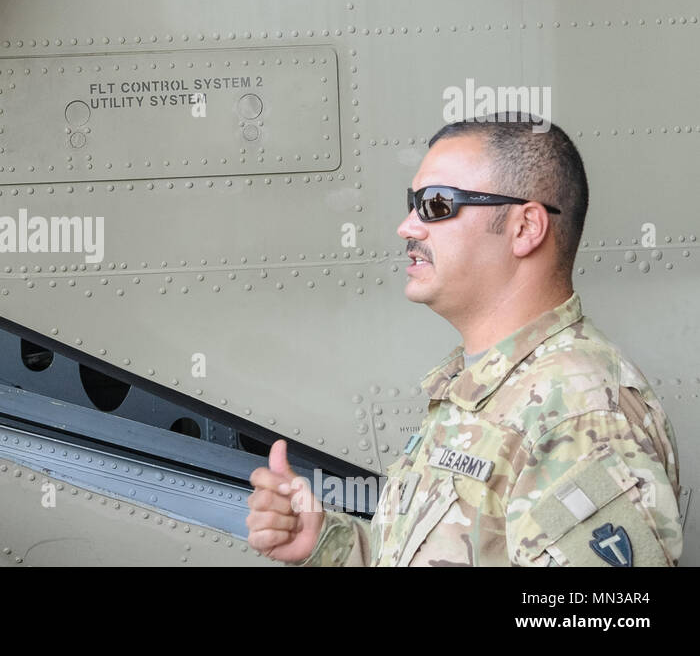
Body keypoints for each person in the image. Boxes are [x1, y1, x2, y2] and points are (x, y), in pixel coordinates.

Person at [245, 115, 682, 566]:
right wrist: (327, 544)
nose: (408, 227)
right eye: (411, 202)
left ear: (525, 228)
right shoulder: (483, 388)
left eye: (436, 204)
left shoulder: (575, 412)